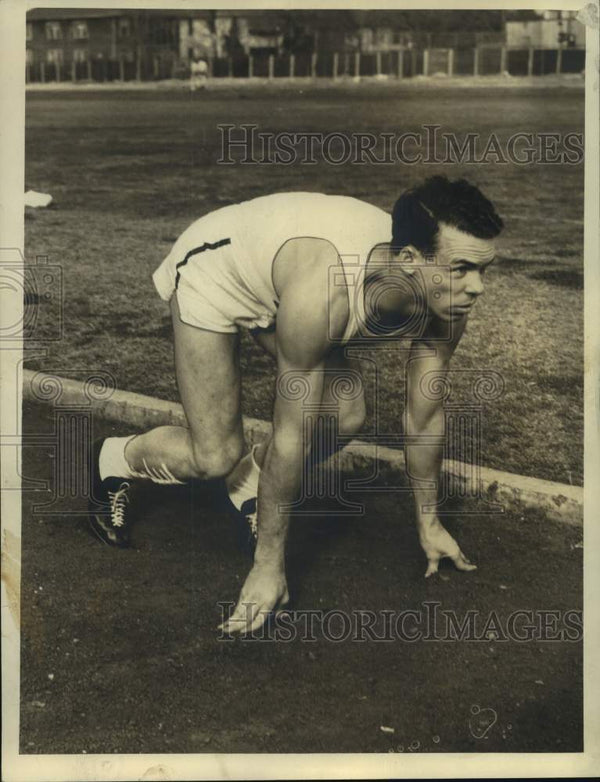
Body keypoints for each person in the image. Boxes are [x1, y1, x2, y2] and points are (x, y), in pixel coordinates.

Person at [88, 177, 503, 634]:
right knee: (214, 455)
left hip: (280, 270)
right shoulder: (326, 296)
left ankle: (248, 487)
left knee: (347, 416)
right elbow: (291, 432)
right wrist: (268, 567)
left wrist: (429, 522)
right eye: (461, 268)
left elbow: (424, 416)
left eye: (483, 270)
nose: (477, 287)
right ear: (408, 260)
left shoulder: (445, 303)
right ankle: (113, 457)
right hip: (218, 267)